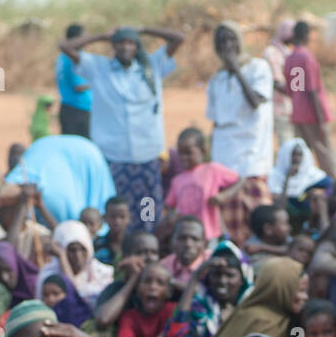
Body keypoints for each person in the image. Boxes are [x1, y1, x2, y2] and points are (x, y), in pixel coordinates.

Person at [58, 25, 184, 231]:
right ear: (113, 46)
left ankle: (147, 243)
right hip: (113, 155)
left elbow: (178, 37)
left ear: (137, 46)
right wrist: (101, 34)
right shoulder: (98, 68)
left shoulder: (152, 66)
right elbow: (64, 46)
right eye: (120, 42)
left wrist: (143, 29)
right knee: (115, 211)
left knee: (148, 209)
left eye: (131, 42)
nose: (125, 47)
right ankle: (117, 249)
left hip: (147, 155)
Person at [206, 21, 274, 244]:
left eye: (231, 39)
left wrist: (236, 69)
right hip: (225, 160)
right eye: (222, 41)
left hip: (252, 158)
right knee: (230, 230)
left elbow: (256, 101)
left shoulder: (258, 68)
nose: (227, 45)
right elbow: (215, 123)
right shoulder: (216, 80)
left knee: (261, 226)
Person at [201, 256, 307, 337]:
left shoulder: (293, 321)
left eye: (306, 290)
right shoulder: (256, 320)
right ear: (279, 288)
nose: (305, 296)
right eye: (300, 290)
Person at [282, 21, 336, 174]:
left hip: (297, 113)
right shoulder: (306, 57)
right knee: (325, 153)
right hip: (311, 113)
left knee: (304, 153)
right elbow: (311, 90)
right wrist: (320, 118)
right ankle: (335, 185)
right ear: (307, 35)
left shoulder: (291, 57)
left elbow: (293, 89)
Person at [54, 24, 92, 138]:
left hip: (67, 106)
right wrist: (97, 82)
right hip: (79, 109)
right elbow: (79, 87)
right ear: (76, 39)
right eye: (84, 37)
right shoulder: (75, 58)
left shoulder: (61, 57)